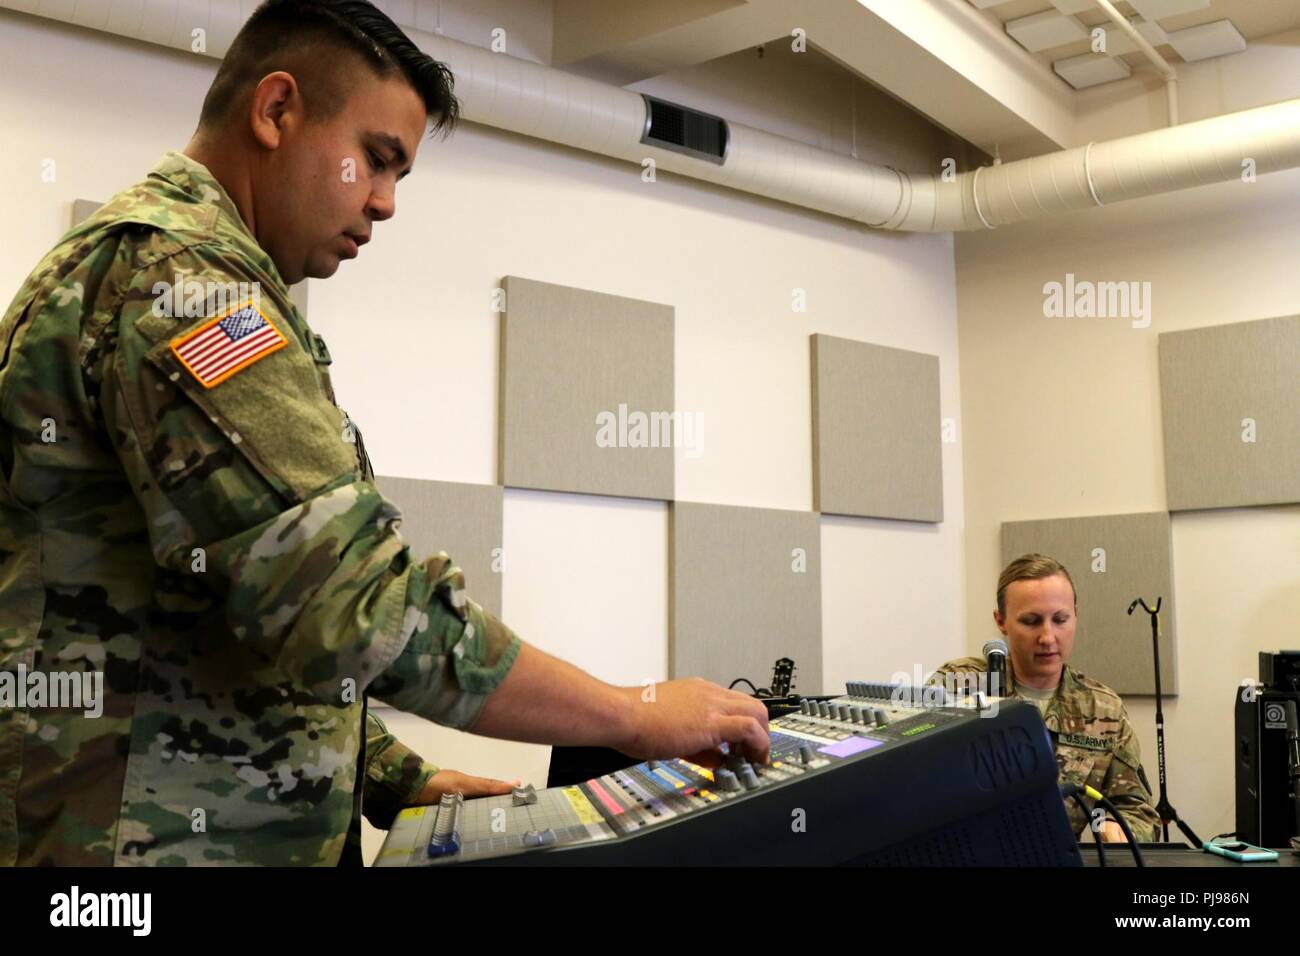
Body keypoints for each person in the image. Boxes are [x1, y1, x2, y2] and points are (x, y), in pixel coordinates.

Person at [0, 0, 768, 866]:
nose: (387, 203)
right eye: (375, 159)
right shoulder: (182, 283)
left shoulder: (190, 280)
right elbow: (355, 603)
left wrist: (397, 777)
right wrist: (634, 714)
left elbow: (243, 625)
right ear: (276, 110)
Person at [930, 554, 1160, 843]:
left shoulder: (1102, 709)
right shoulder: (958, 686)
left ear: (1075, 614)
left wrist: (1110, 823)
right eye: (1031, 621)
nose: (1048, 637)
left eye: (1060, 619)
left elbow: (1132, 807)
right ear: (1000, 621)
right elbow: (911, 785)